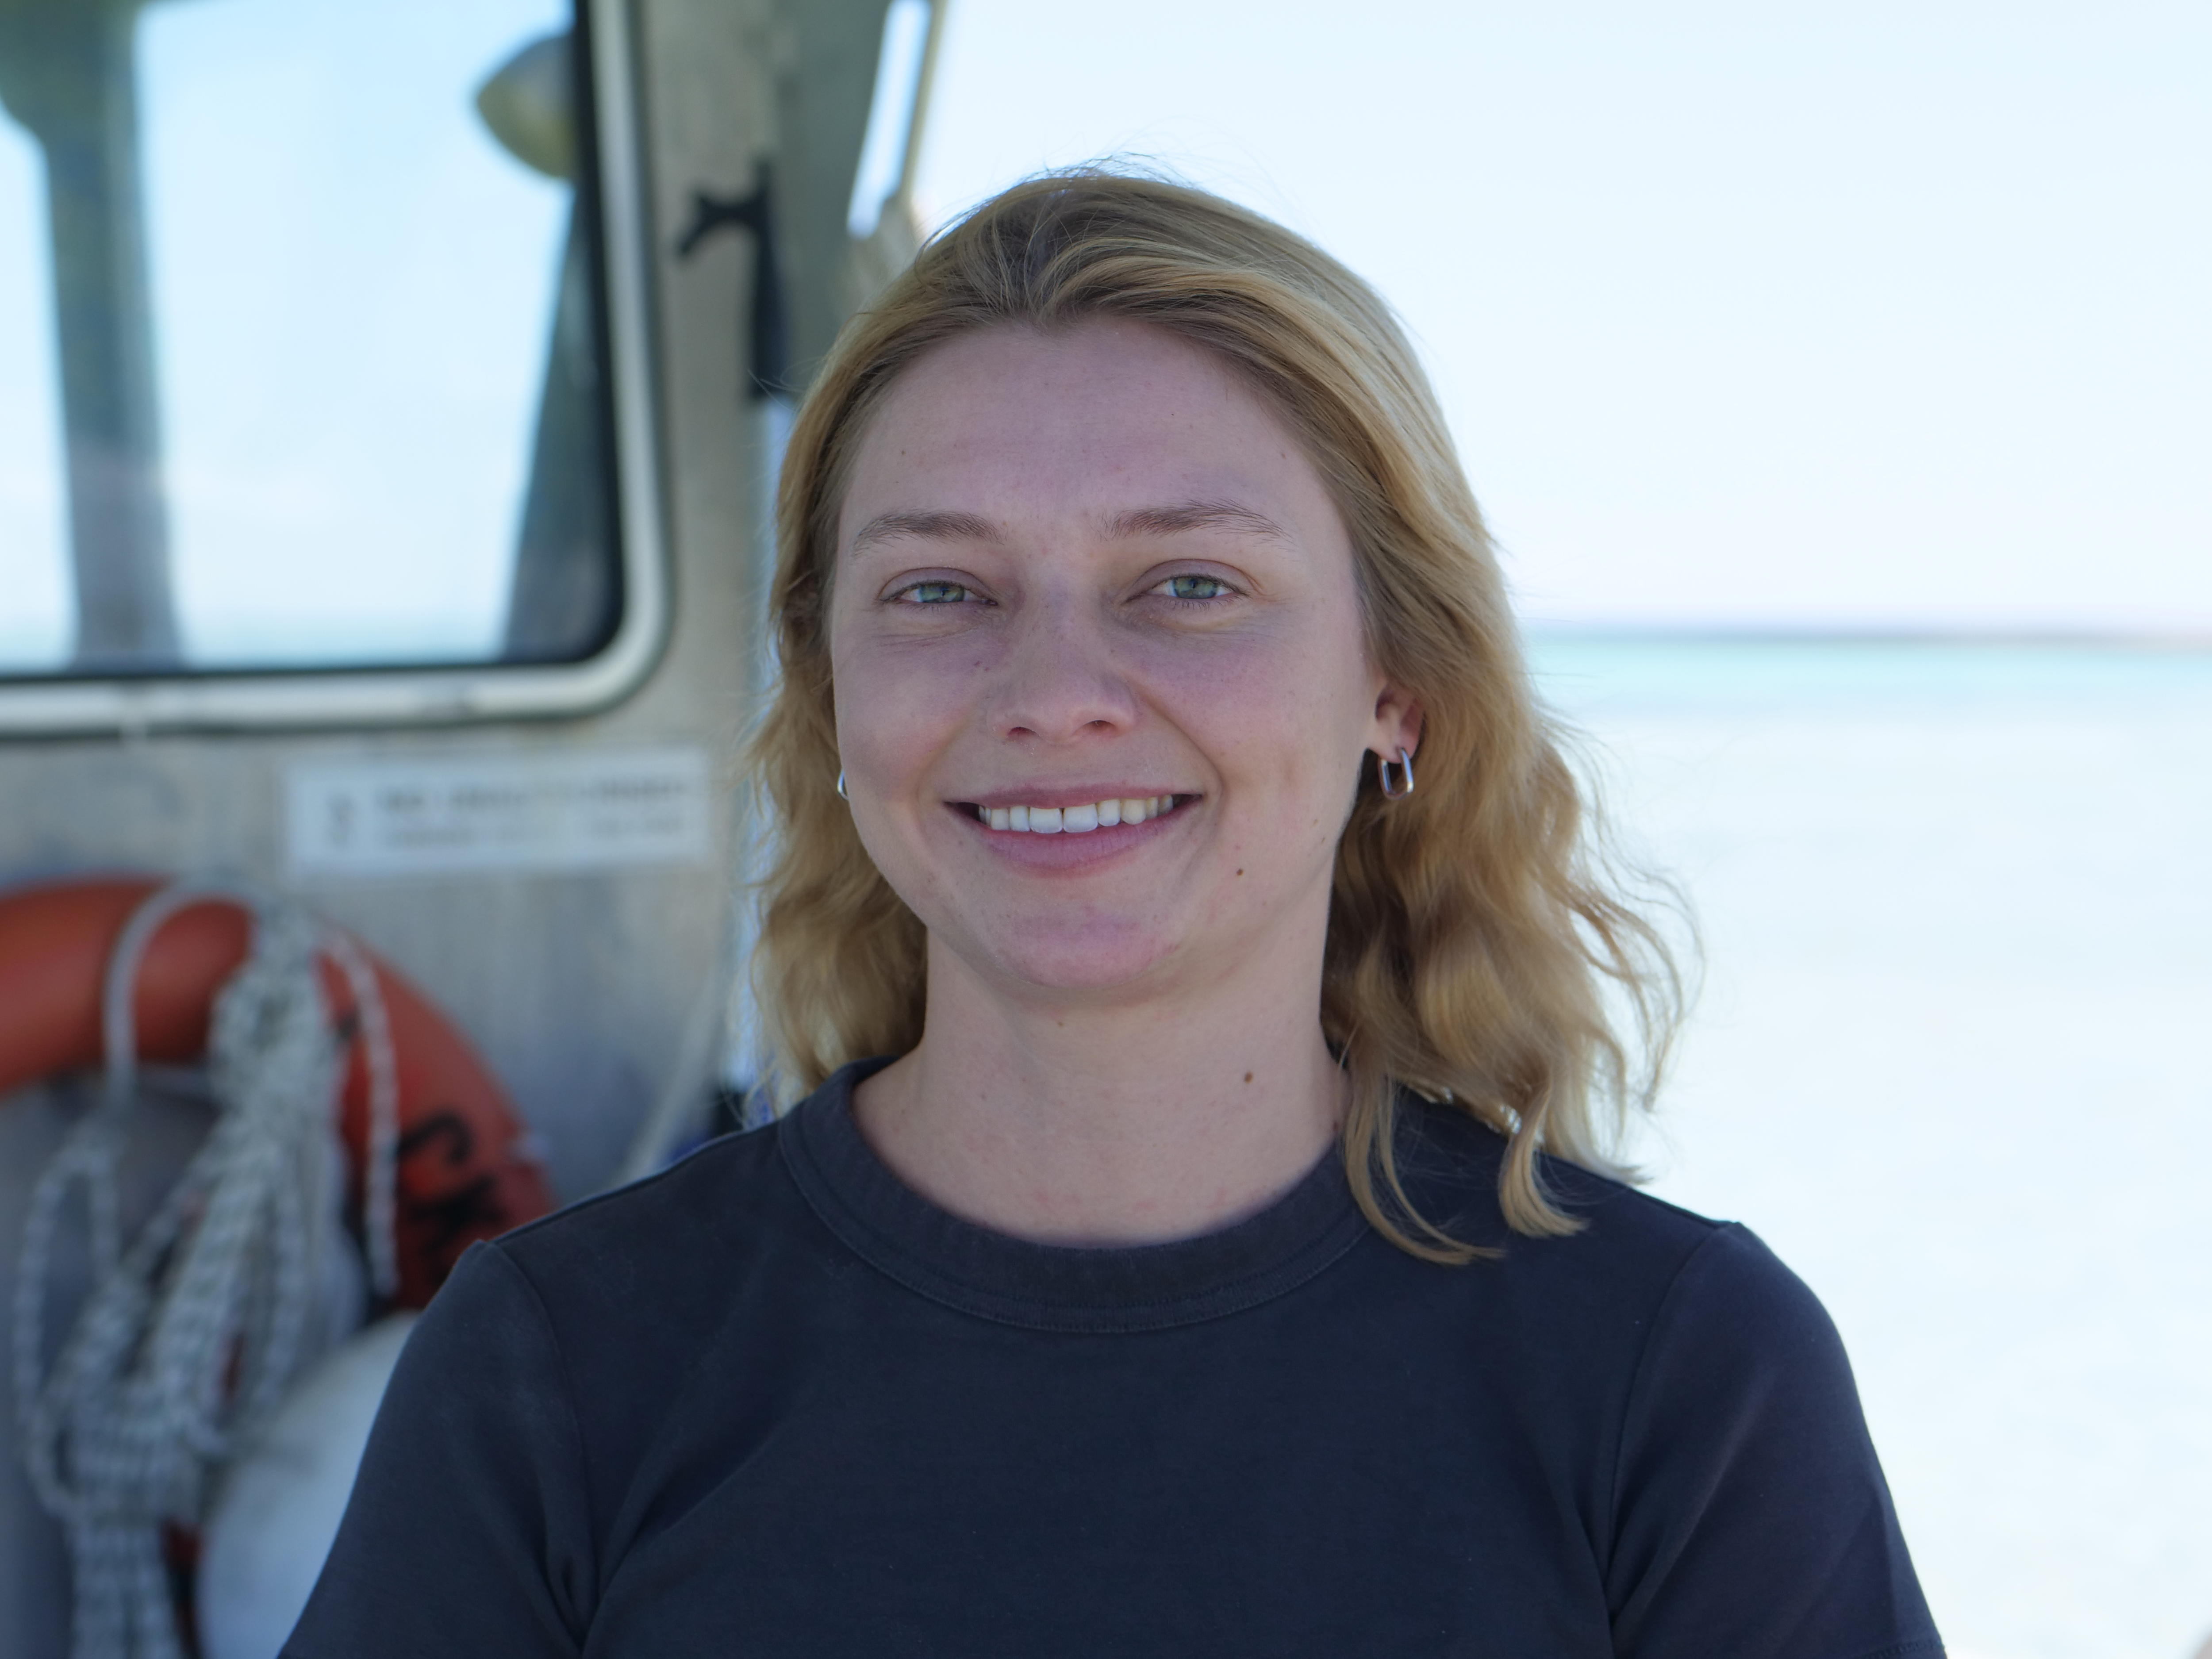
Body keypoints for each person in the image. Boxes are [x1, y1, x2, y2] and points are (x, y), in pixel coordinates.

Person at [286, 171, 1944, 1658]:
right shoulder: (565, 1367)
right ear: (832, 688)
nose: (1057, 693)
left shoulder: (1676, 1378)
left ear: (1399, 687)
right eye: (942, 590)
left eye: (1191, 585)